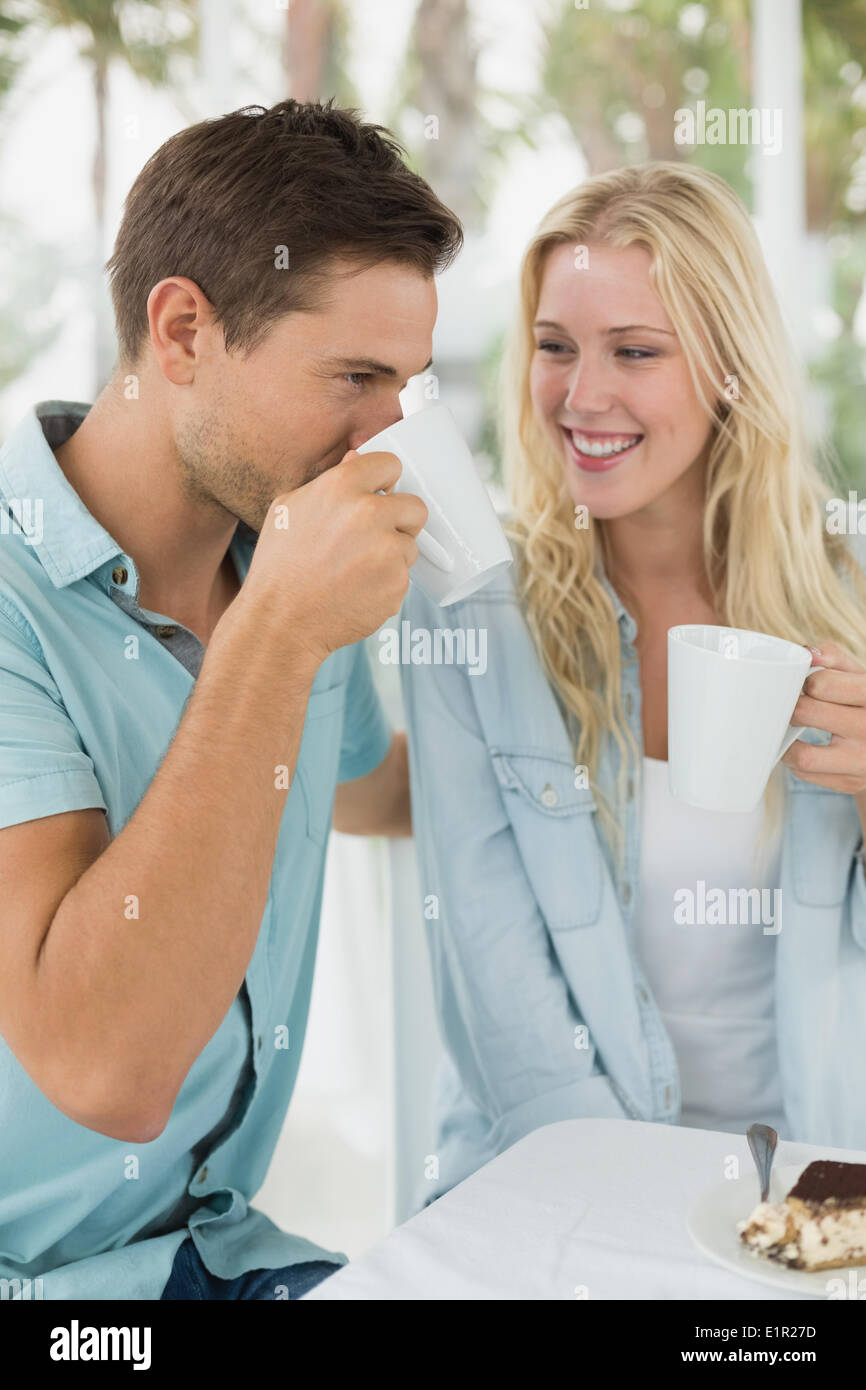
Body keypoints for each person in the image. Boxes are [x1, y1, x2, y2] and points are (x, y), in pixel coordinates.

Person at [0, 98, 462, 1300]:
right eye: (352, 378)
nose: (384, 441)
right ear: (184, 330)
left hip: (209, 1252)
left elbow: (373, 789)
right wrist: (278, 637)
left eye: (404, 388)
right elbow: (106, 1071)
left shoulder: (273, 555)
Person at [399, 161, 866, 1208]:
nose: (581, 395)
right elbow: (496, 990)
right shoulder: (473, 608)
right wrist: (647, 1230)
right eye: (555, 348)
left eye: (635, 352)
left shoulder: (849, 610)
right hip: (553, 1194)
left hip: (810, 1199)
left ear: (730, 370)